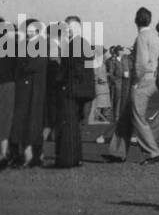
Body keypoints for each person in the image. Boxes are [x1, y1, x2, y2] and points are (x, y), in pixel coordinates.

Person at [104, 7, 159, 165]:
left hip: (141, 81)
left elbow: (142, 63)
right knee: (125, 116)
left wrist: (136, 81)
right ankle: (117, 152)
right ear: (149, 20)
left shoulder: (141, 37)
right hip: (152, 79)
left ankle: (153, 153)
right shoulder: (155, 37)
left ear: (135, 20)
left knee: (138, 118)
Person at [50, 16, 96, 168]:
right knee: (74, 126)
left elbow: (71, 69)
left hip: (71, 90)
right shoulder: (82, 43)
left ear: (79, 28)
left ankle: (67, 160)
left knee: (68, 125)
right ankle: (75, 158)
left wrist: (60, 82)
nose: (69, 30)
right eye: (67, 28)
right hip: (80, 90)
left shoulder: (73, 44)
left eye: (72, 28)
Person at [9, 19, 49, 167]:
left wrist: (22, 63)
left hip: (36, 90)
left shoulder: (42, 45)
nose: (30, 31)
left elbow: (33, 65)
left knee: (33, 123)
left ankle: (34, 156)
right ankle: (27, 155)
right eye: (28, 29)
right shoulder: (23, 45)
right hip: (24, 89)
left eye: (33, 29)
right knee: (23, 123)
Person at [0, 17, 15, 169]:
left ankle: (4, 153)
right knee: (5, 119)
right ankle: (4, 153)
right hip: (9, 84)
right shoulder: (13, 46)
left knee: (4, 119)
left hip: (7, 84)